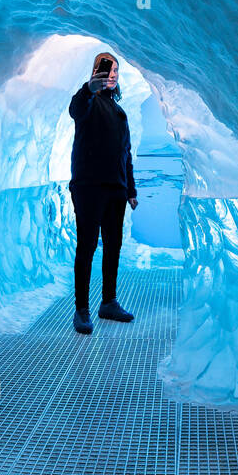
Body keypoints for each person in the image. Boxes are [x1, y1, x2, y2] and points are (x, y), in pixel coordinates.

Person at [68, 51, 138, 333]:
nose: (111, 74)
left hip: (116, 190)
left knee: (113, 247)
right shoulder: (88, 102)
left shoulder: (120, 113)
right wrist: (88, 89)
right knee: (86, 246)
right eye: (105, 69)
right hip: (88, 186)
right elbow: (75, 109)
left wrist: (130, 189)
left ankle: (108, 302)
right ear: (95, 72)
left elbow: (126, 153)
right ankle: (81, 310)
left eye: (115, 71)